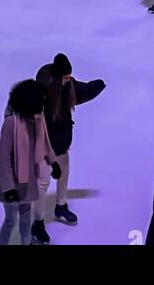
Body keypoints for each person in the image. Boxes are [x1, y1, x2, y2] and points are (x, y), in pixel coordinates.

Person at [31, 53, 106, 242]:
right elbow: (36, 124)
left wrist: (99, 85)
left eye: (70, 76)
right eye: (65, 77)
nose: (69, 79)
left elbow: (83, 90)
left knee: (64, 173)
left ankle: (61, 206)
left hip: (62, 143)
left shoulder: (68, 86)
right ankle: (37, 224)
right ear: (57, 77)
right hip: (44, 147)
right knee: (42, 184)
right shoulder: (44, 91)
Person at [0, 78, 61, 246]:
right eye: (40, 102)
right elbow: (3, 159)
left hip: (28, 180)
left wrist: (53, 162)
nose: (42, 106)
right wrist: (9, 188)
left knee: (25, 218)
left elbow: (44, 143)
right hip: (11, 183)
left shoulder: (37, 119)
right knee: (10, 220)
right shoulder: (11, 124)